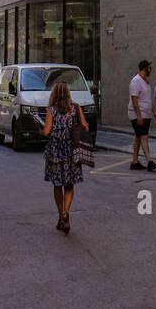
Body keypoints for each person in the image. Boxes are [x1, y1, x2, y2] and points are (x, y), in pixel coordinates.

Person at [40, 79, 87, 233]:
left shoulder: (51, 110)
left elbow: (46, 131)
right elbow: (85, 126)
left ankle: (61, 215)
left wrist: (41, 130)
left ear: (54, 93)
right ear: (68, 92)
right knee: (69, 184)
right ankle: (66, 213)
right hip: (71, 150)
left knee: (57, 184)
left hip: (55, 151)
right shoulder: (75, 108)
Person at [128, 60, 156, 172]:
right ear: (145, 68)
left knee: (138, 137)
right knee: (144, 136)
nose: (151, 70)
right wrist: (139, 116)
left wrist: (154, 112)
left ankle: (134, 162)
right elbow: (134, 99)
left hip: (146, 114)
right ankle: (149, 161)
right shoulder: (135, 81)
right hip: (137, 114)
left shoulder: (145, 81)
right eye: (149, 68)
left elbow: (146, 100)